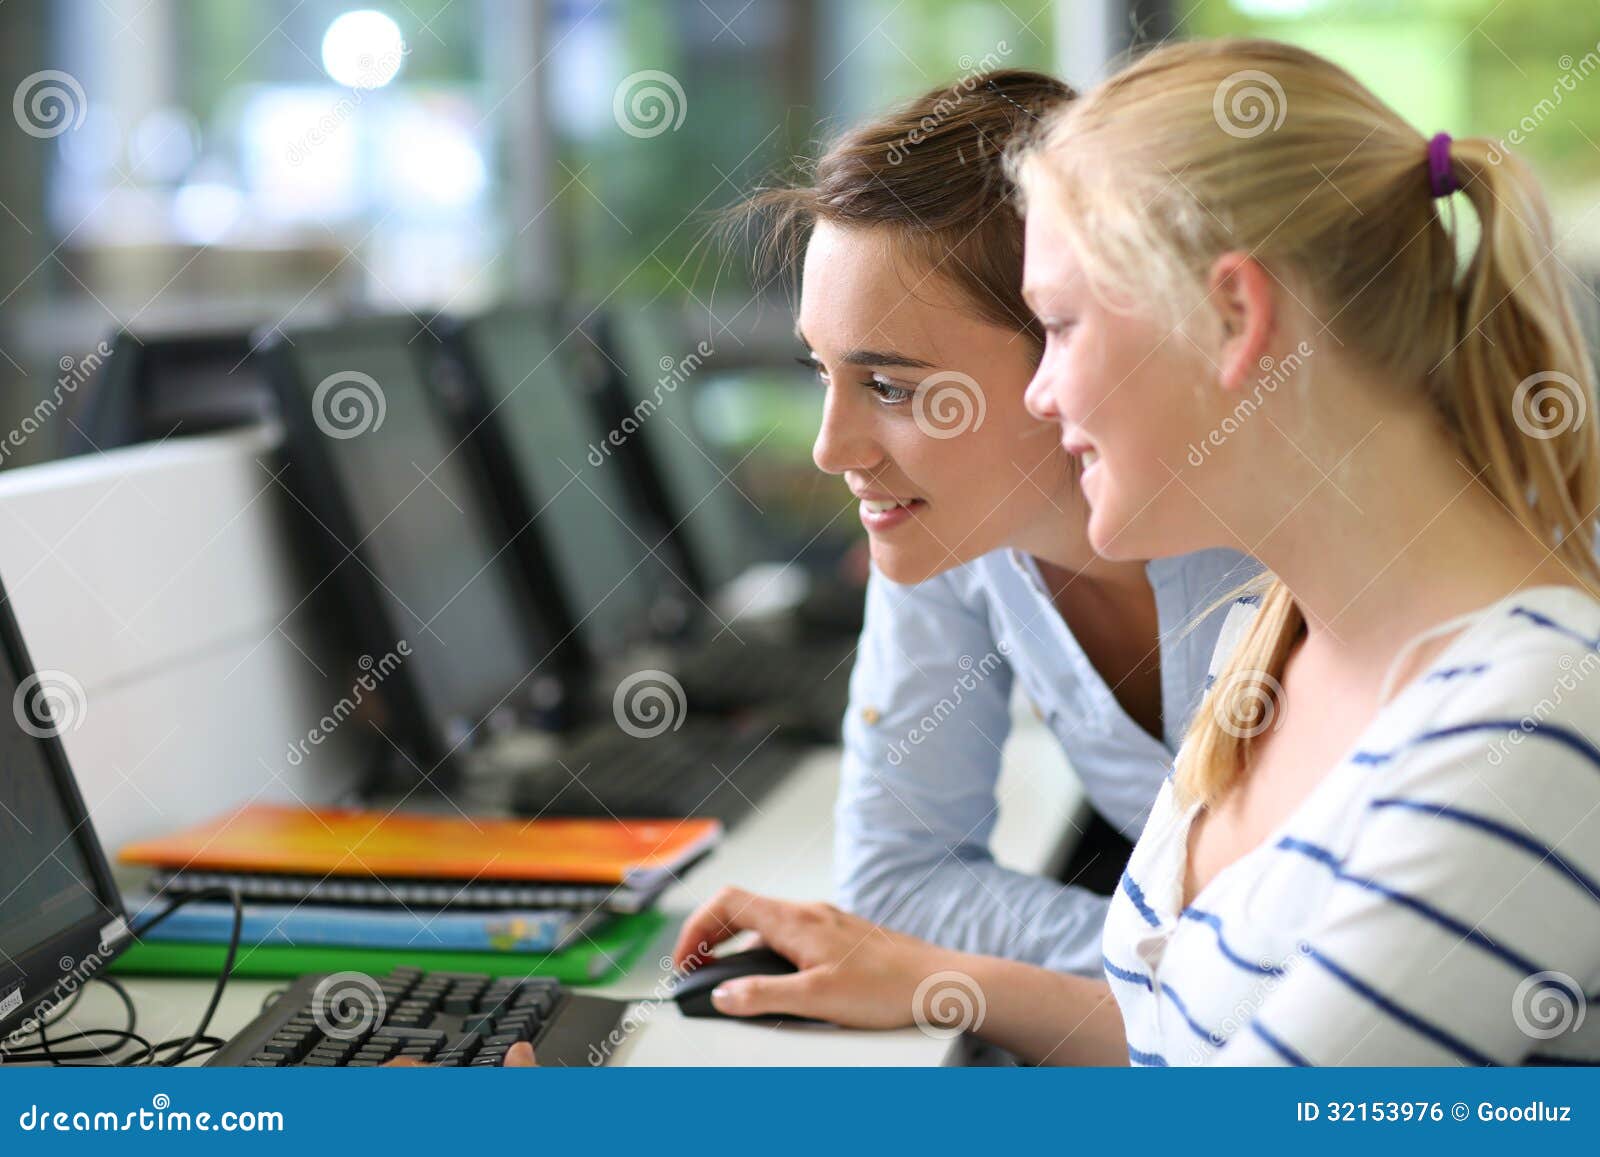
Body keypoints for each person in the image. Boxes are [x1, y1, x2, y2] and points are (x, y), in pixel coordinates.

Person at [671, 38, 1600, 1066]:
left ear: (1232, 317)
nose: (1041, 392)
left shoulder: (1526, 708)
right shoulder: (1270, 631)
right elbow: (1177, 1027)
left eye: (1061, 326)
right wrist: (942, 981)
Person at [741, 69, 1253, 975]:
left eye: (892, 386)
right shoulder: (949, 532)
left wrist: (980, 980)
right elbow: (898, 878)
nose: (830, 448)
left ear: (1072, 340)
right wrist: (1164, 973)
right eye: (823, 372)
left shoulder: (1264, 542)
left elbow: (1308, 984)